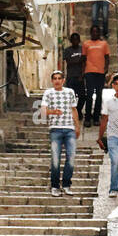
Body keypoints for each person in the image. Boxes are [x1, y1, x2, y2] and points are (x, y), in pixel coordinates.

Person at [40, 69, 80, 197]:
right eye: (55, 78)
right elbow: (43, 111)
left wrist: (77, 126)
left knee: (71, 158)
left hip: (69, 129)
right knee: (55, 159)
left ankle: (67, 185)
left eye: (59, 78)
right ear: (52, 81)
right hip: (55, 129)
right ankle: (55, 186)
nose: (57, 81)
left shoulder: (70, 92)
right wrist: (53, 112)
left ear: (63, 80)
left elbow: (74, 109)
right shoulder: (48, 93)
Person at [82, 23, 110, 126]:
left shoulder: (104, 44)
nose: (95, 33)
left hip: (100, 72)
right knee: (89, 95)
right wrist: (83, 72)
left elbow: (107, 57)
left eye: (96, 31)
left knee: (99, 95)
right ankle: (87, 118)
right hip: (89, 72)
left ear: (99, 33)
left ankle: (96, 117)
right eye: (93, 31)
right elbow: (84, 59)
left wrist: (106, 68)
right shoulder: (86, 44)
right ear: (90, 33)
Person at [62, 31, 86, 120]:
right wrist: (79, 60)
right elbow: (69, 62)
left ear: (79, 40)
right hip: (71, 76)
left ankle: (78, 111)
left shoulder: (83, 50)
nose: (75, 41)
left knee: (82, 96)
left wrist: (82, 75)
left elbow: (84, 63)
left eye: (77, 39)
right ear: (71, 41)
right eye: (73, 39)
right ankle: (71, 112)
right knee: (70, 96)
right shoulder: (67, 50)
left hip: (80, 76)